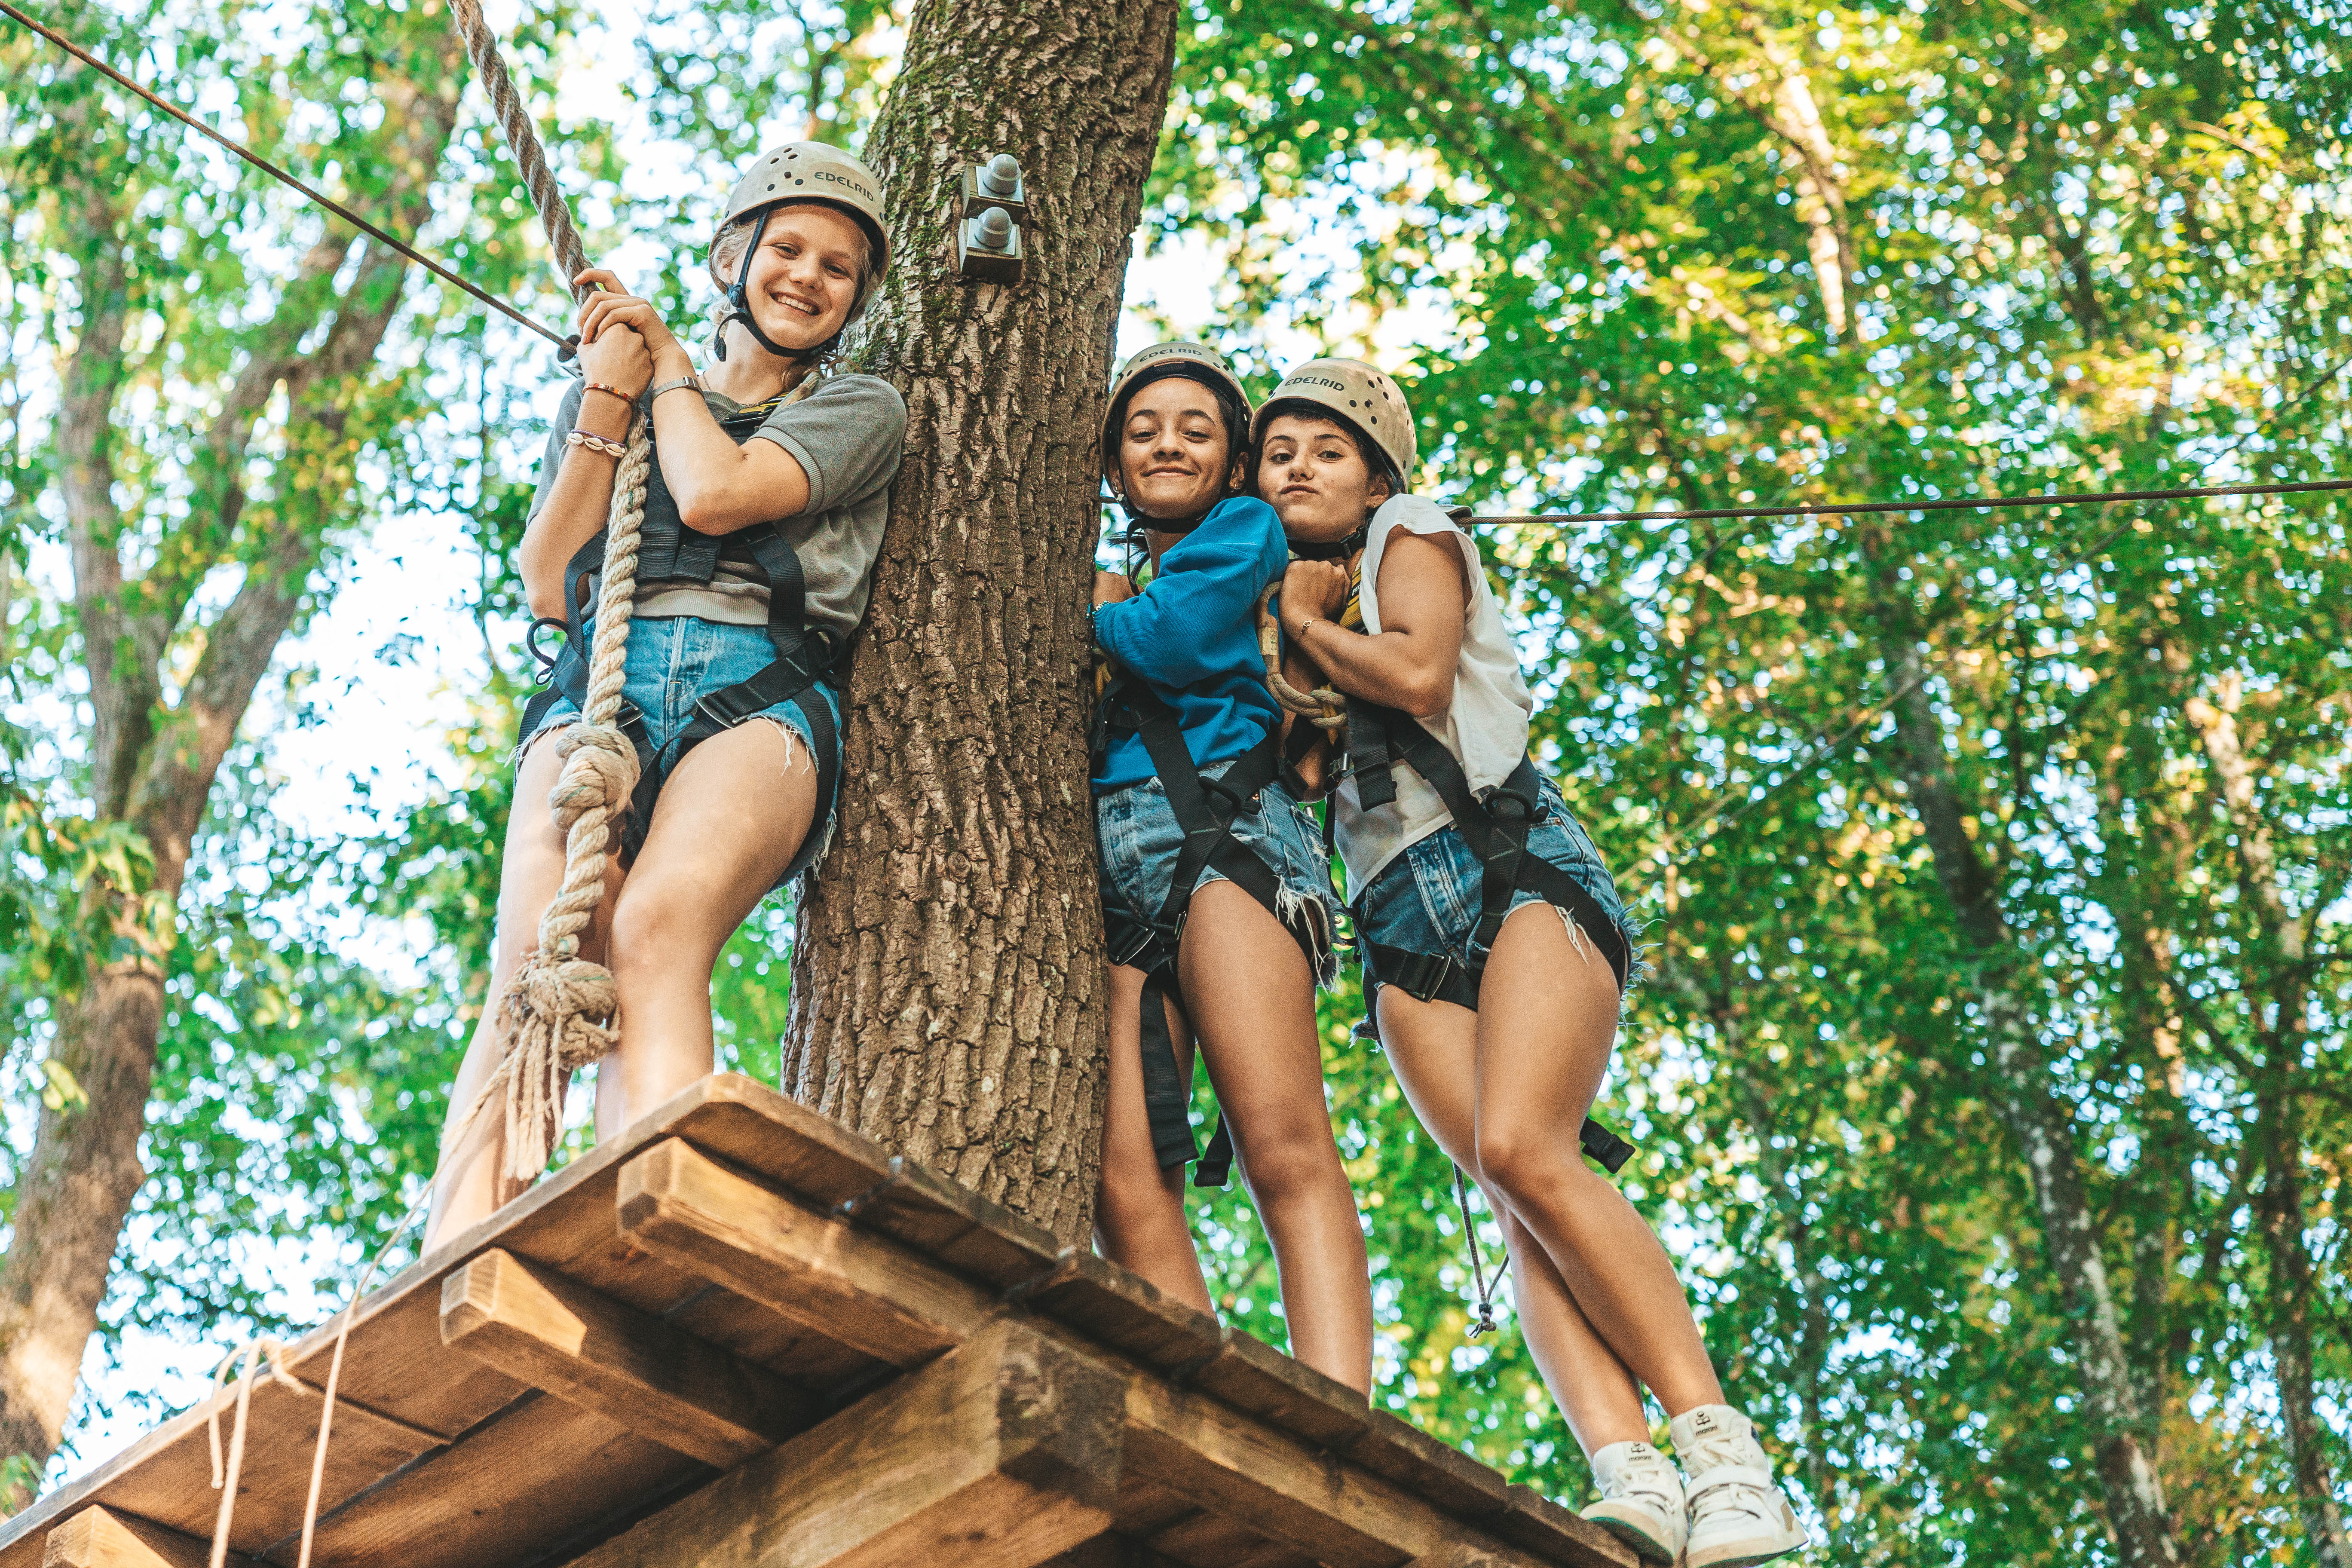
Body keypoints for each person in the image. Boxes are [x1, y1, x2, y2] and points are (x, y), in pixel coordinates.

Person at [1261, 358, 1807, 1567]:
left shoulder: (1413, 530)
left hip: (1507, 865)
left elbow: (1414, 672)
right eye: (1279, 453)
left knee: (1526, 1149)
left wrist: (1305, 624)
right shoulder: (1292, 596)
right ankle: (1631, 1475)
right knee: (1514, 1197)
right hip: (1396, 917)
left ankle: (1727, 1459)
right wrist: (1282, 633)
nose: (1299, 467)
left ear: (1378, 474)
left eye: (1328, 450)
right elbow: (1303, 775)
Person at [427, 144, 907, 1247]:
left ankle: (655, 1232)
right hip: (605, 678)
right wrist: (608, 396)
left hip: (762, 689)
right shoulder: (624, 395)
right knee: (540, 956)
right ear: (730, 257)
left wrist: (672, 371)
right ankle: (459, 1251)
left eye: (839, 267)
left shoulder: (862, 411)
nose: (807, 277)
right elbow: (553, 580)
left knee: (652, 926)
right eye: (785, 249)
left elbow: (722, 491)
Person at [1087, 341, 1374, 1392]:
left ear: (1237, 462)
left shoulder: (1245, 533)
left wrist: (1084, 606)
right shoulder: (1135, 574)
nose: (1168, 443)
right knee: (1123, 1175)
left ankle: (1342, 1411)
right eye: (1144, 431)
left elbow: (1172, 639)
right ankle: (1197, 1401)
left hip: (1229, 838)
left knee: (1279, 1139)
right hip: (1116, 872)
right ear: (1115, 469)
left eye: (1197, 430)